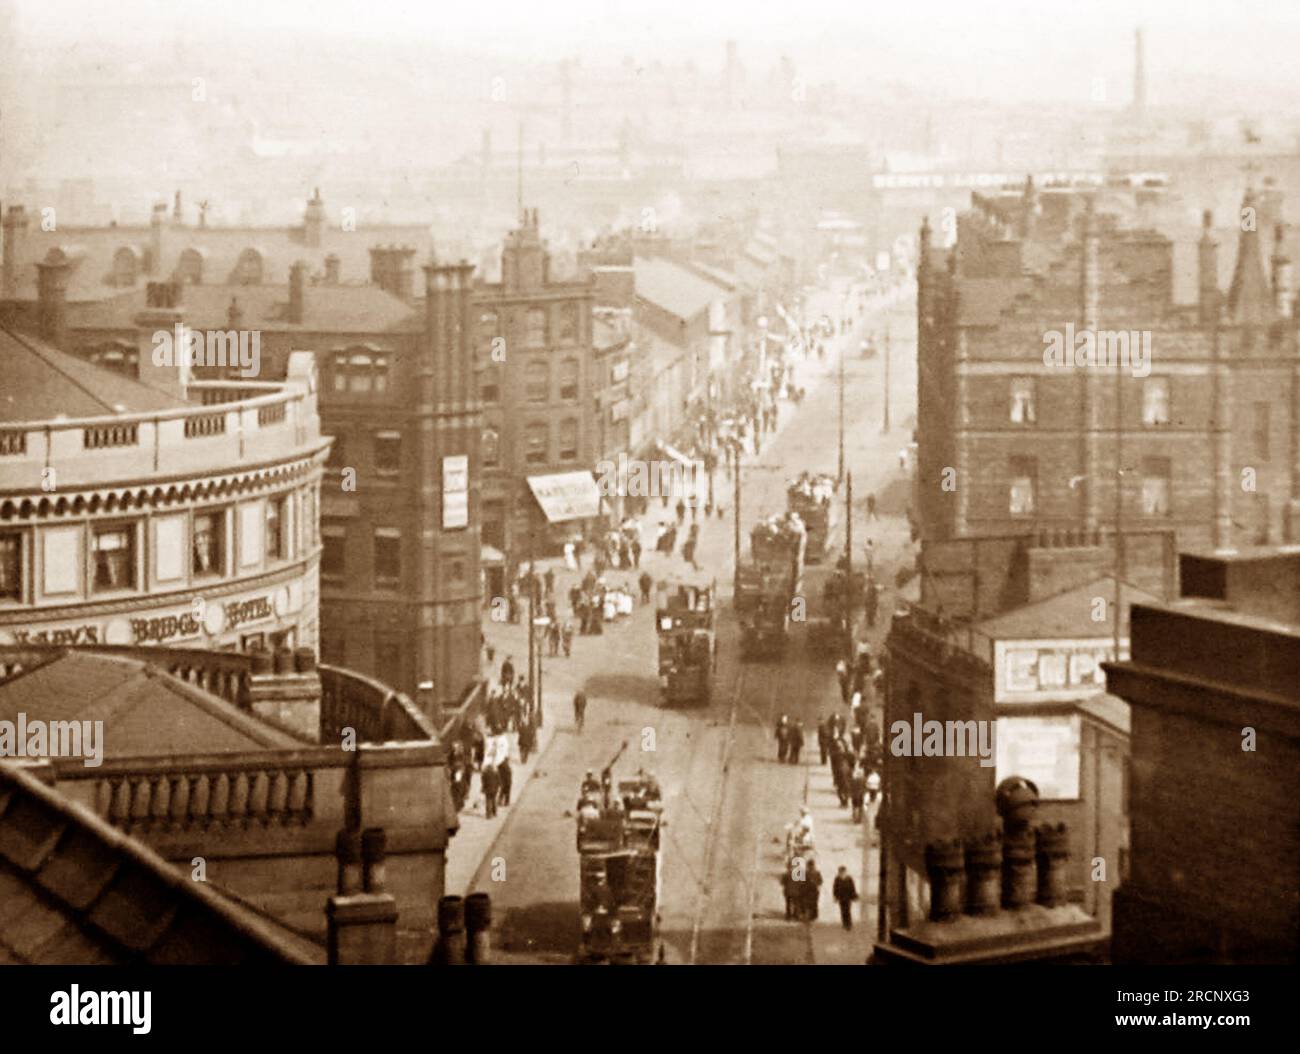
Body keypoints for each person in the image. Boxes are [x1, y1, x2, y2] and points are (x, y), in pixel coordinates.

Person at [832, 866, 859, 931]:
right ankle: (844, 923)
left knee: (848, 910)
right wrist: (835, 896)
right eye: (840, 871)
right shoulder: (837, 878)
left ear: (845, 871)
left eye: (843, 871)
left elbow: (853, 888)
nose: (841, 872)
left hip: (848, 897)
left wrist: (854, 896)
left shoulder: (849, 878)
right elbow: (835, 888)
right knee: (843, 911)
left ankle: (849, 924)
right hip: (841, 897)